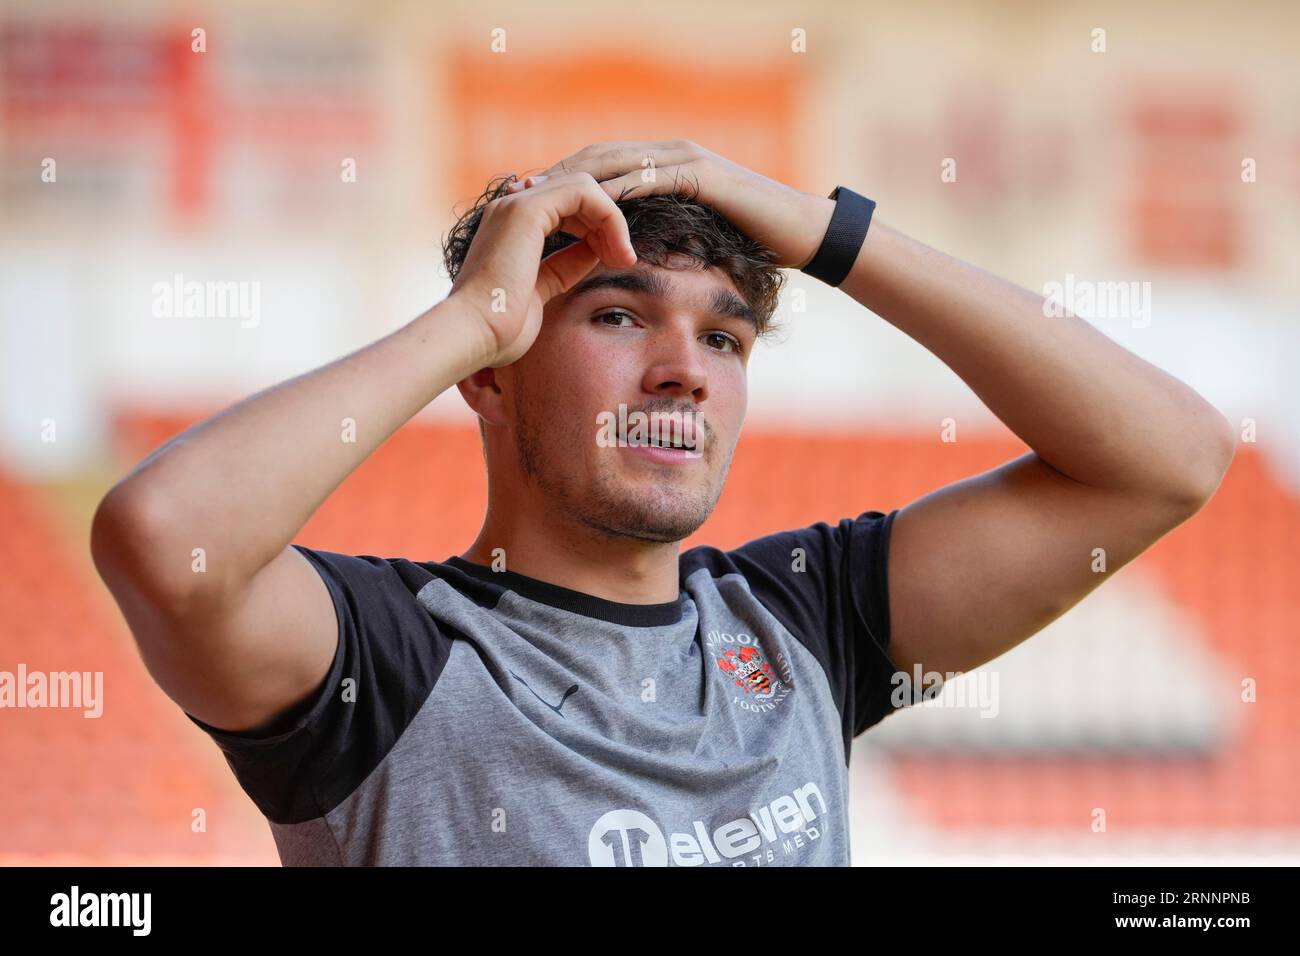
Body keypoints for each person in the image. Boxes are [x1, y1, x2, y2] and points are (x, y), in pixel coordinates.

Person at [90, 139, 1235, 866]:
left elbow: (1168, 456)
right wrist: (468, 321)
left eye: (725, 335)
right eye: (619, 316)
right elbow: (164, 535)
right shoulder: (391, 658)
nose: (687, 366)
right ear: (492, 372)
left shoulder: (800, 620)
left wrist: (827, 232)